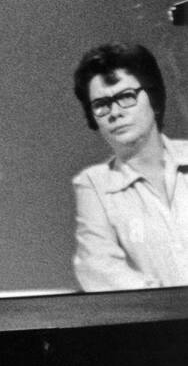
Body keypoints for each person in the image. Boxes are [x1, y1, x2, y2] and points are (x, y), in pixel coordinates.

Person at [71, 43, 187, 290]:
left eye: (125, 97)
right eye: (101, 104)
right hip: (159, 325)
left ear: (153, 98)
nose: (114, 112)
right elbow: (99, 269)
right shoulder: (94, 185)